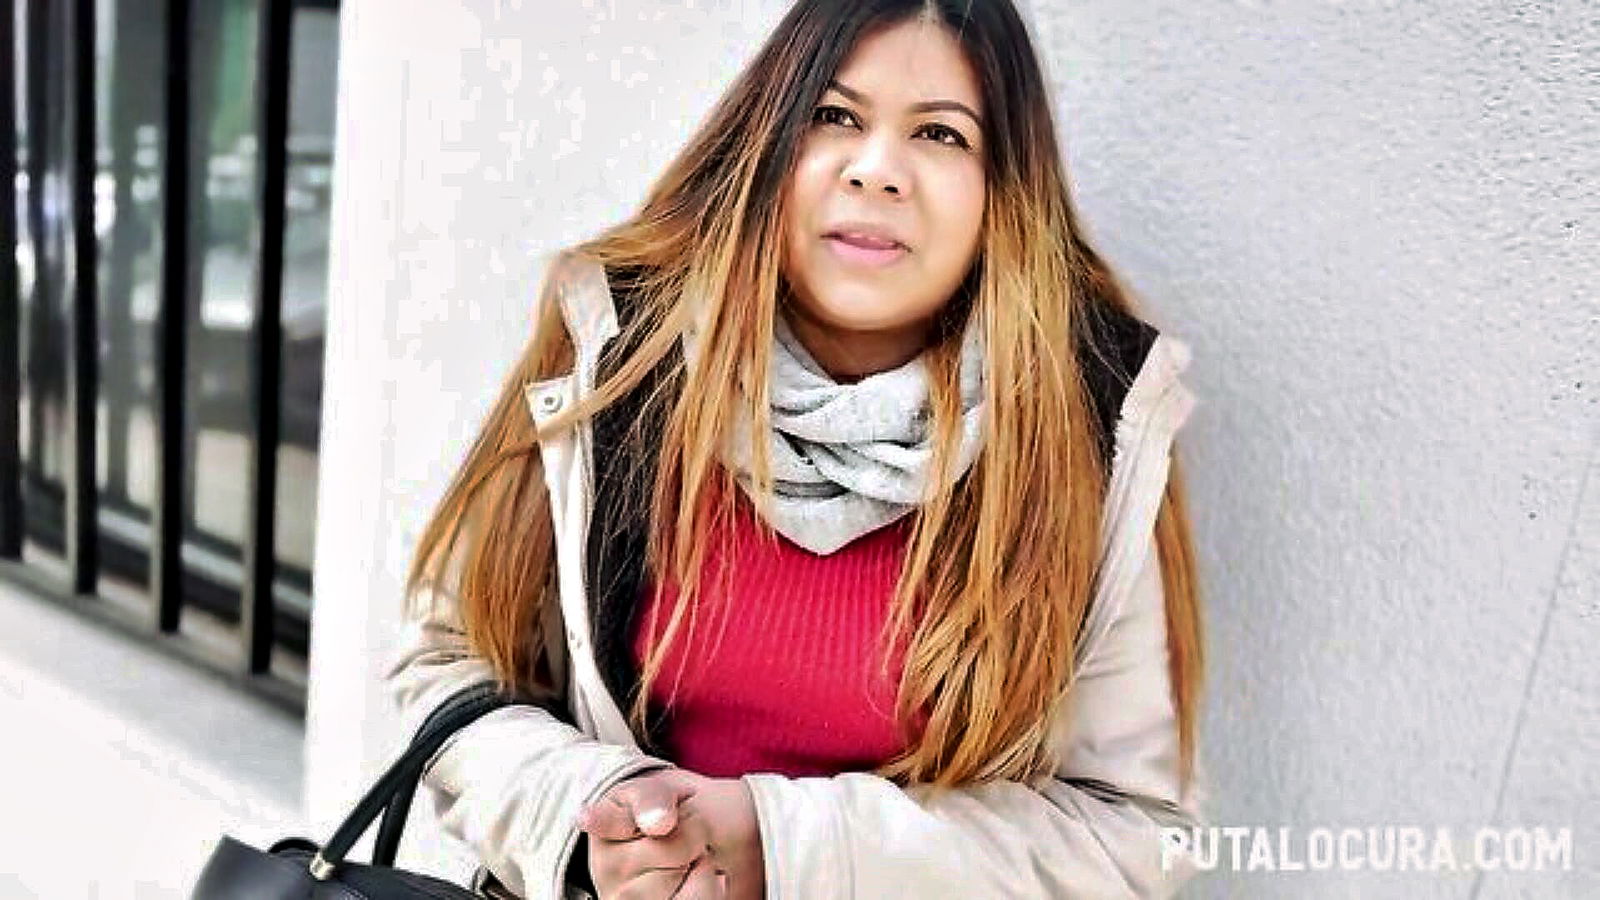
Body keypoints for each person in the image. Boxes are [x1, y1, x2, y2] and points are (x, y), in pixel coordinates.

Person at [383, 1, 1209, 897]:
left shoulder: (1083, 420)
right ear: (771, 140)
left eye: (939, 133)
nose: (878, 171)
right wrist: (593, 815)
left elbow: (1130, 832)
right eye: (834, 115)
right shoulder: (624, 357)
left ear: (1002, 186)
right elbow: (450, 658)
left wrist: (782, 848)